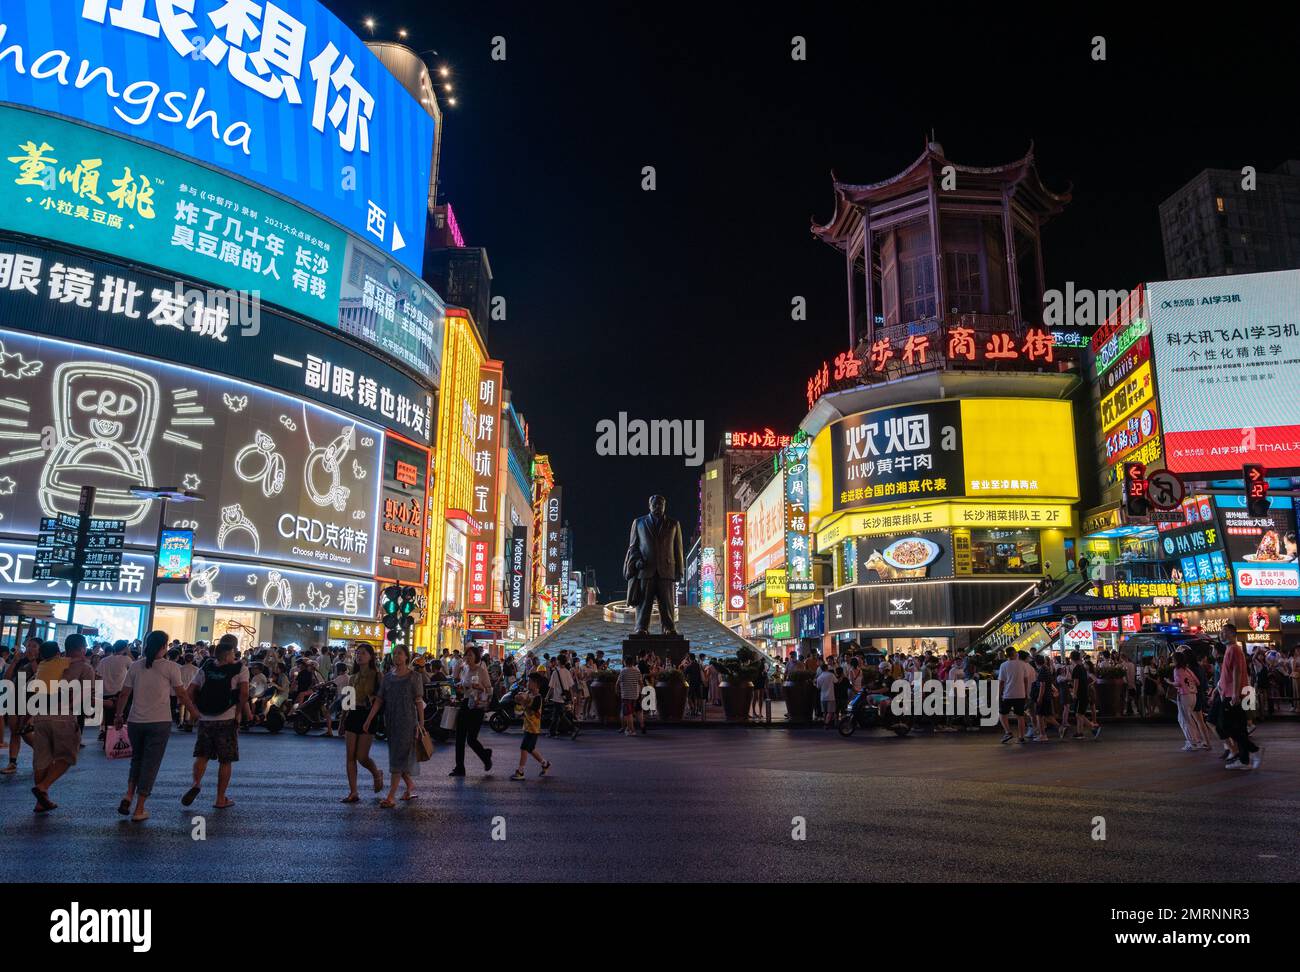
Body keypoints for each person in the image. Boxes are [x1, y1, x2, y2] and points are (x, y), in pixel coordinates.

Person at [115, 630, 196, 822]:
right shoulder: (171, 667)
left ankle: (128, 794)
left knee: (137, 760)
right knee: (151, 764)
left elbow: (124, 694)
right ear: (164, 646)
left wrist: (119, 715)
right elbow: (182, 694)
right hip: (159, 721)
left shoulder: (135, 666)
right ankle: (139, 808)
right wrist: (194, 712)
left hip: (135, 720)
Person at [183, 634, 250, 810]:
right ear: (231, 651)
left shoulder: (206, 665)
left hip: (205, 718)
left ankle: (196, 783)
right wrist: (239, 712)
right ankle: (220, 798)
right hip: (226, 717)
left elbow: (190, 691)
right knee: (225, 760)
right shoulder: (240, 668)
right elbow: (244, 693)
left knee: (202, 756)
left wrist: (194, 712)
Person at [365, 645, 425, 806]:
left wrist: (421, 724)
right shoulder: (387, 678)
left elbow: (419, 702)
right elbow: (379, 700)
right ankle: (409, 784)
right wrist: (369, 719)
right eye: (394, 654)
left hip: (408, 722)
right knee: (397, 755)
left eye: (400, 653)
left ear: (406, 657)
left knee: (398, 757)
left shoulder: (414, 677)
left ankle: (391, 796)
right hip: (390, 721)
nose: (397, 656)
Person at [341, 643, 384, 803]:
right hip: (353, 715)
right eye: (358, 653)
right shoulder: (352, 677)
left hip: (369, 716)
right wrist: (342, 721)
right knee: (350, 756)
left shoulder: (377, 676)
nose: (359, 656)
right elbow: (347, 700)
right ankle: (353, 792)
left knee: (362, 756)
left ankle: (376, 772)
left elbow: (382, 699)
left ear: (371, 656)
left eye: (363, 653)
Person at [1217, 623, 1260, 770]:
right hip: (1229, 694)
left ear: (1232, 634)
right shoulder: (1231, 649)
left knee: (1225, 725)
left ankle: (1249, 754)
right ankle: (1246, 758)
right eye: (1221, 632)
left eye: (1224, 632)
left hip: (1233, 695)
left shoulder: (1234, 649)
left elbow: (1237, 672)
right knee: (1236, 728)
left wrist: (1235, 693)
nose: (1221, 635)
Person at [450, 644, 493, 776]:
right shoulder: (465, 669)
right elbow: (457, 679)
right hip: (466, 703)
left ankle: (486, 757)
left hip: (477, 706)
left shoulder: (481, 671)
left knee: (471, 739)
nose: (467, 657)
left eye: (470, 655)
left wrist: (480, 687)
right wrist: (459, 686)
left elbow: (490, 690)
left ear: (476, 657)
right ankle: (459, 767)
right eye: (466, 655)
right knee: (459, 737)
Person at [1, 637, 40, 775]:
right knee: (15, 732)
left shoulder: (43, 662)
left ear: (40, 648)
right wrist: (15, 661)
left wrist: (32, 660)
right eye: (28, 645)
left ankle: (44, 754)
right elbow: (7, 678)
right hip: (16, 698)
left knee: (26, 732)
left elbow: (39, 679)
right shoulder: (21, 661)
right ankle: (12, 763)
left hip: (32, 700)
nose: (30, 648)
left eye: (34, 646)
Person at [511, 672, 552, 780]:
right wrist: (518, 697)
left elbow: (533, 708)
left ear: (536, 684)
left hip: (533, 728)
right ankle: (545, 763)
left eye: (530, 681)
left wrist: (523, 700)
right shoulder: (528, 693)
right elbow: (517, 699)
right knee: (530, 749)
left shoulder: (538, 697)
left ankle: (520, 771)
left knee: (524, 748)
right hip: (527, 726)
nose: (528, 683)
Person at [1167, 650, 1206, 752]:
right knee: (1189, 718)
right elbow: (1197, 682)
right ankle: (1195, 740)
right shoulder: (1188, 670)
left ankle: (1191, 742)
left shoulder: (1177, 670)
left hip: (1184, 695)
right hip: (1193, 695)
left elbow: (1178, 684)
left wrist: (1169, 682)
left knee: (1184, 719)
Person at [995, 646, 1035, 744]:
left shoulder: (1003, 665)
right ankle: (1021, 737)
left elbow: (1001, 682)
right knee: (1020, 716)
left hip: (1008, 694)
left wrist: (999, 694)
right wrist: (1025, 693)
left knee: (1002, 714)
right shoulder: (1022, 665)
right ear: (1015, 654)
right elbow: (1025, 680)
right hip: (1020, 694)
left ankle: (1008, 732)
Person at [96, 641, 132, 740]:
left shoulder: (104, 660)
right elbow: (134, 669)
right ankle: (116, 740)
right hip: (120, 693)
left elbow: (98, 675)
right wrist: (129, 653)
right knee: (120, 717)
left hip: (105, 692)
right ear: (125, 648)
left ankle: (107, 737)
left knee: (107, 717)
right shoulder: (126, 659)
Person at [1068, 650, 1101, 739]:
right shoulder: (1082, 668)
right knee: (1079, 713)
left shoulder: (1076, 669)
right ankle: (1080, 732)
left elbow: (1076, 682)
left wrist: (1074, 693)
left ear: (1072, 658)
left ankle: (1093, 727)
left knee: (1079, 714)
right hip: (1084, 693)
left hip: (1080, 694)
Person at [616, 662, 643, 736]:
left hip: (626, 695)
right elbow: (641, 683)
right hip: (635, 695)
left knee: (628, 713)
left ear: (625, 662)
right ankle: (629, 728)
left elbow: (618, 683)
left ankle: (632, 730)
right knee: (632, 712)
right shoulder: (637, 671)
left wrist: (617, 691)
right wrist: (641, 692)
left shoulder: (623, 671)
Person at [814, 662, 839, 729]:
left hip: (823, 696)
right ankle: (826, 724)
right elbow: (836, 681)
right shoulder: (831, 675)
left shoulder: (819, 677)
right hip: (831, 696)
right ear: (827, 668)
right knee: (830, 712)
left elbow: (818, 687)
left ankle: (826, 722)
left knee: (824, 712)